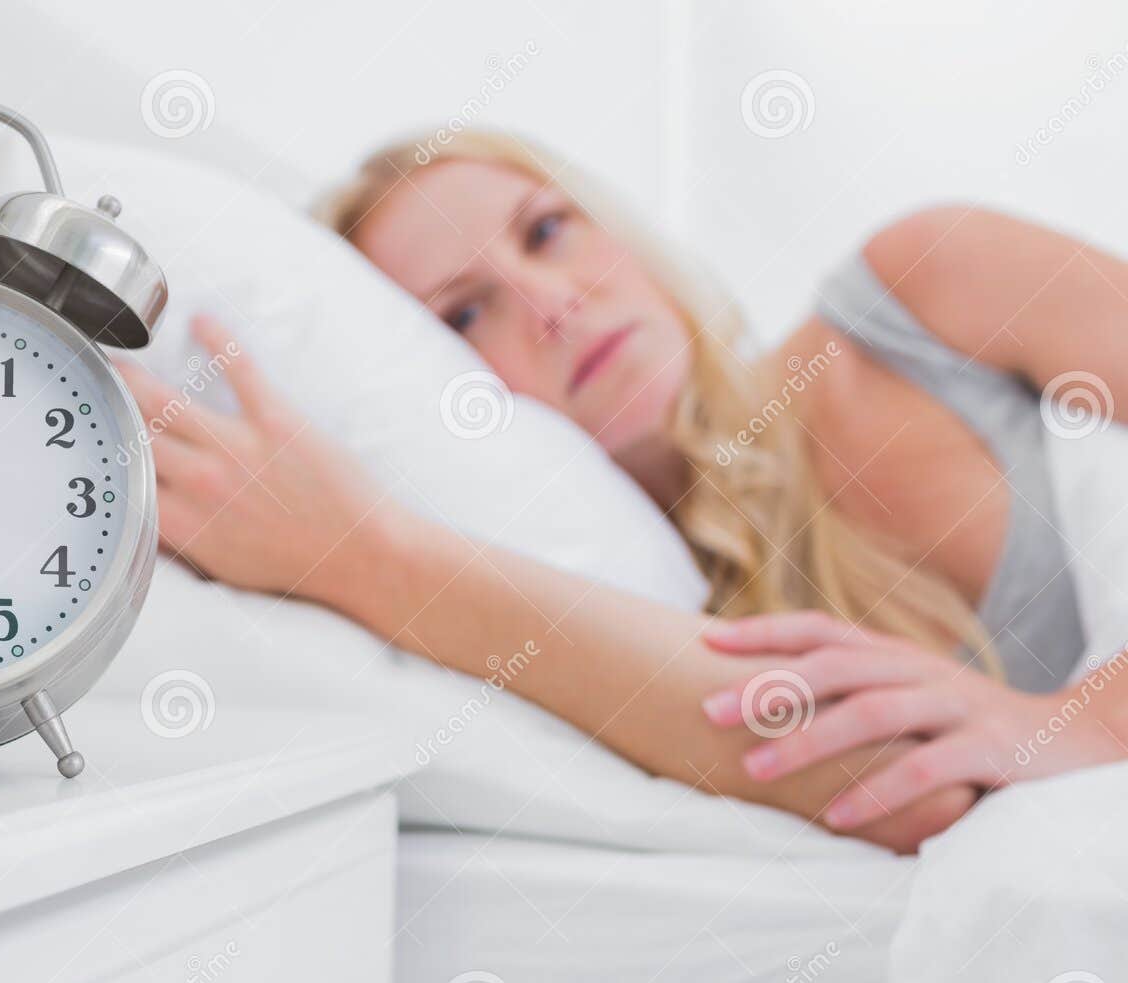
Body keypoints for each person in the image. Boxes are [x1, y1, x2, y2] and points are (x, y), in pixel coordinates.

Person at [115, 129, 1128, 853]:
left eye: (547, 232)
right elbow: (900, 788)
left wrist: (1095, 719)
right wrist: (364, 556)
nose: (551, 305)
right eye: (466, 313)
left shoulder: (924, 289)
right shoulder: (634, 601)